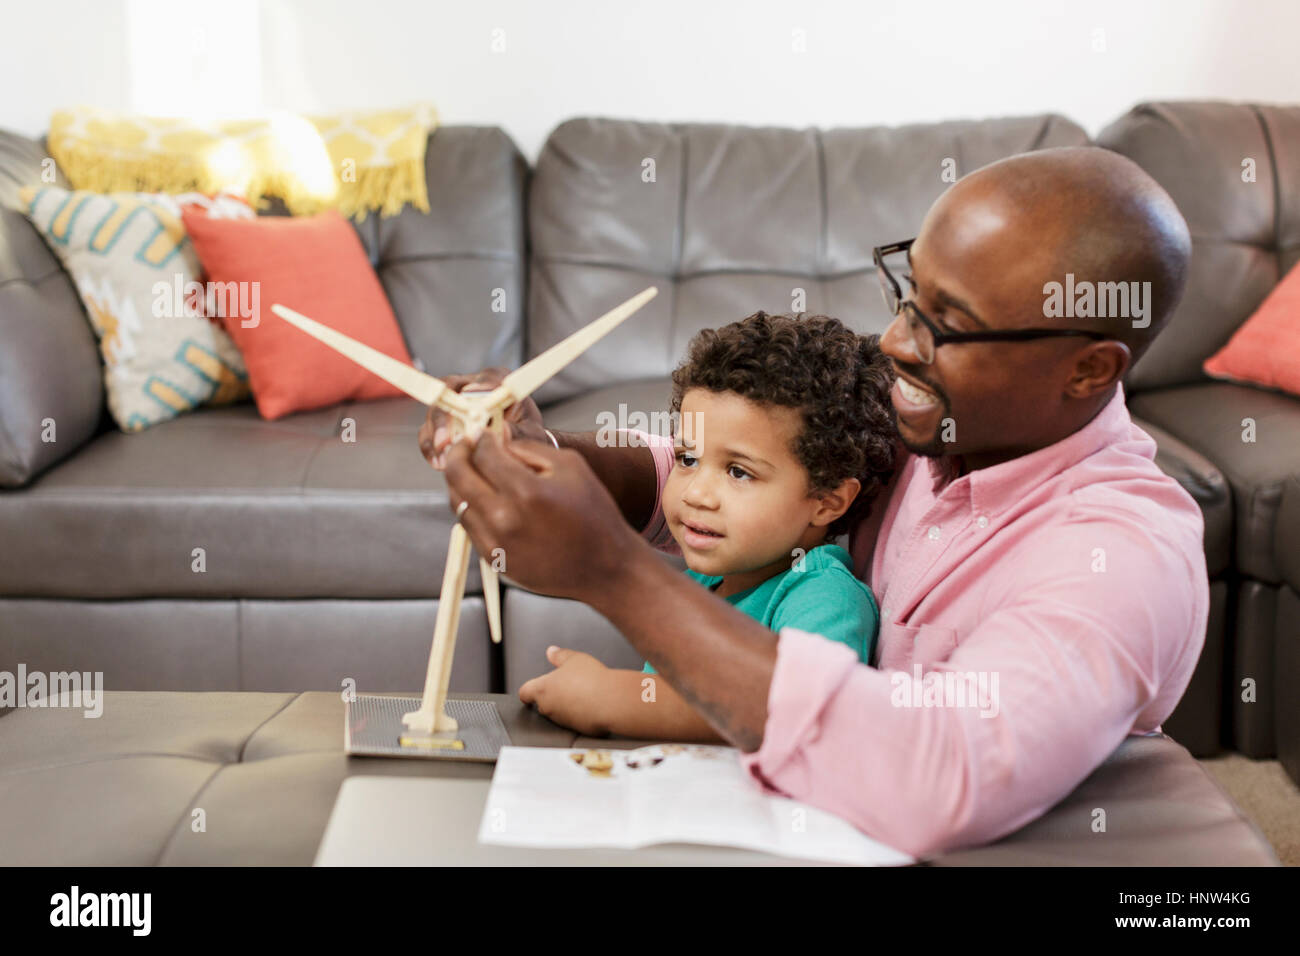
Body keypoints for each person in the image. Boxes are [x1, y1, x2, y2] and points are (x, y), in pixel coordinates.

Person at [420, 145, 1207, 857]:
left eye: (949, 326)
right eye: (909, 294)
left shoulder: (1123, 555)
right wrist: (540, 452)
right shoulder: (940, 421)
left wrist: (615, 573)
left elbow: (944, 776)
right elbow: (715, 470)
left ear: (1089, 371)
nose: (896, 343)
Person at [513, 311, 895, 741]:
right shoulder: (709, 578)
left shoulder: (824, 595)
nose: (696, 494)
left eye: (738, 472)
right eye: (688, 459)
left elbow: (796, 709)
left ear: (827, 500)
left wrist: (611, 699)